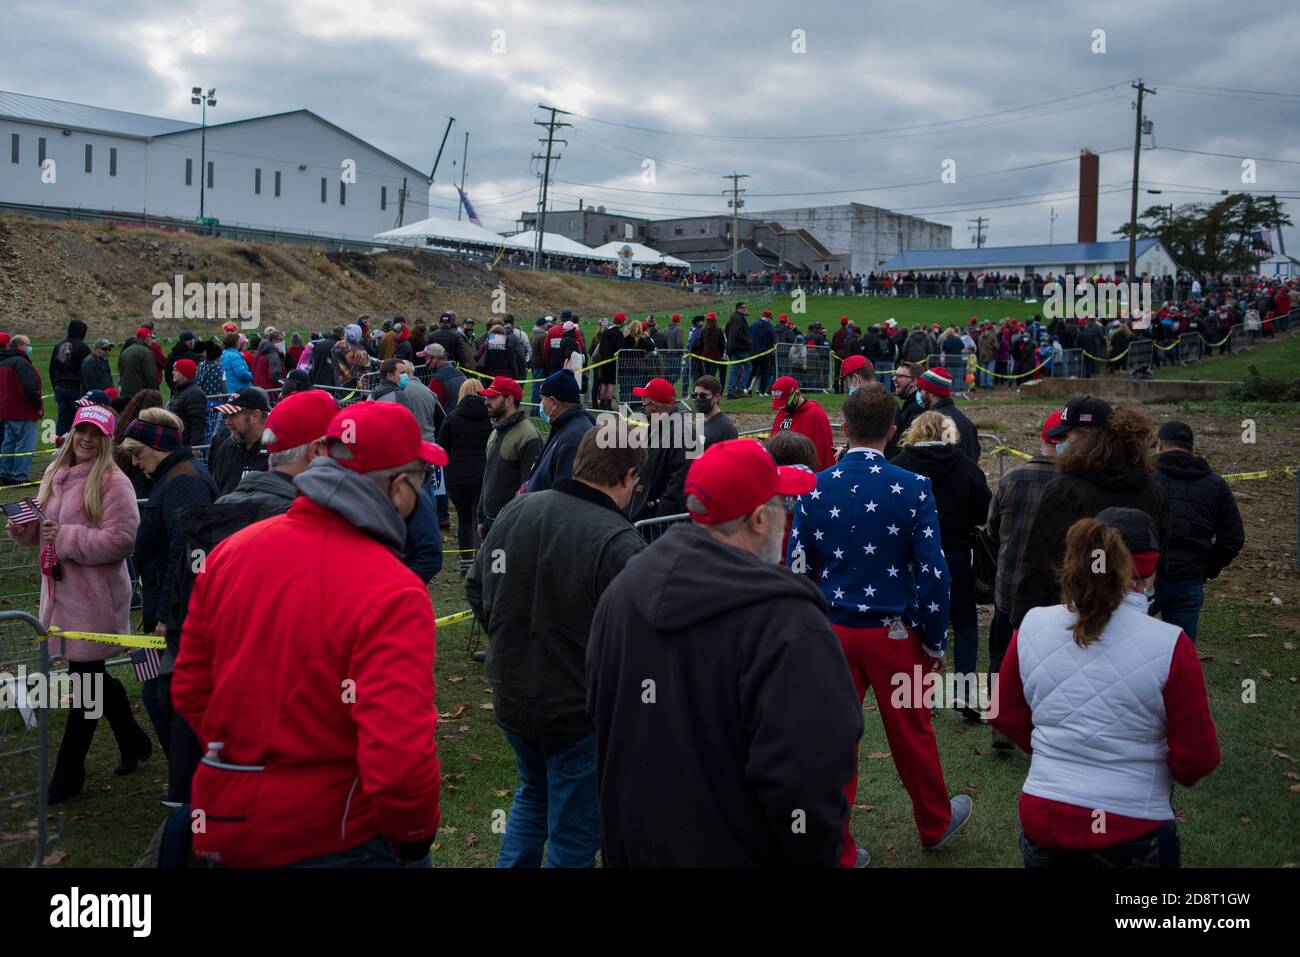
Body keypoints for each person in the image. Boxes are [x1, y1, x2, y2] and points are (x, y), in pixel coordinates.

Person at [172, 402, 445, 866]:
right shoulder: (394, 591)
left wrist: (249, 755)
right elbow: (398, 756)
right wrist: (414, 835)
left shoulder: (231, 553)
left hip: (229, 818)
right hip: (337, 836)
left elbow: (192, 688)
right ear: (399, 489)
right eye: (419, 480)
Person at [587, 438, 863, 867]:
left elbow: (601, 707)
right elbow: (809, 777)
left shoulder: (623, 590)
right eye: (782, 506)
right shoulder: (789, 625)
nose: (786, 518)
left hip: (635, 844)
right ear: (758, 520)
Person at [789, 386, 972, 864]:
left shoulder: (813, 487)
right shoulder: (912, 488)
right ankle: (934, 822)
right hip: (893, 633)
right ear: (893, 432)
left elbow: (797, 568)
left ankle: (836, 846)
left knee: (832, 739)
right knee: (913, 731)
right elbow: (934, 572)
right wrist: (933, 639)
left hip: (831, 631)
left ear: (843, 428)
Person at [992, 509, 1220, 868]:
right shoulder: (1171, 644)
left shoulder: (1031, 625)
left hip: (1045, 815)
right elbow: (1197, 758)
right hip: (1134, 824)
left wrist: (1059, 753)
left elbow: (1005, 715)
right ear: (1148, 570)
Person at [468, 427, 646, 867]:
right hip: (576, 710)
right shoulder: (619, 543)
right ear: (626, 476)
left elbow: (477, 587)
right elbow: (642, 637)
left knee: (533, 797)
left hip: (515, 692)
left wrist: (509, 638)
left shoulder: (517, 510)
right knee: (572, 834)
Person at [6, 402, 148, 803]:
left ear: (106, 441)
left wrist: (65, 537)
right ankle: (134, 739)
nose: (85, 440)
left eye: (95, 435)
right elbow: (41, 529)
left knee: (86, 684)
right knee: (94, 677)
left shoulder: (113, 482)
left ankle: (69, 774)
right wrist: (25, 528)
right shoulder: (55, 471)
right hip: (58, 592)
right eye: (81, 431)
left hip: (94, 597)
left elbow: (122, 541)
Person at [119, 406, 219, 773]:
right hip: (169, 604)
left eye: (136, 452)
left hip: (179, 611)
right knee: (159, 692)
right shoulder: (171, 476)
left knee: (164, 695)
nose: (134, 462)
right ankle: (188, 778)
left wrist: (167, 613)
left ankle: (194, 782)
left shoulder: (183, 480)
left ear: (155, 447)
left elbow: (189, 548)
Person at [1012, 398, 1169, 628]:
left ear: (1088, 435)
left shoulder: (1065, 489)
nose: (1060, 444)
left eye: (1066, 436)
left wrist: (1023, 619)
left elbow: (1041, 559)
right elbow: (1162, 551)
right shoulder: (1151, 488)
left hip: (1072, 611)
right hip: (1134, 610)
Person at [891, 410, 992, 716]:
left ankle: (923, 696)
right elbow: (983, 512)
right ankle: (963, 692)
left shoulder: (899, 467)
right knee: (964, 621)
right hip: (957, 552)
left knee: (917, 623)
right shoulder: (966, 467)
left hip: (913, 556)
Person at [984, 411, 1061, 749]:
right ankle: (1042, 724)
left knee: (1002, 656)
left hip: (1009, 586)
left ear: (1043, 441)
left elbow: (992, 530)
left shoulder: (1012, 478)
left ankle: (1001, 722)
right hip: (1053, 591)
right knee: (1050, 661)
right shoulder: (1076, 485)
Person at [1151, 421, 1244, 642]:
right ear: (1191, 448)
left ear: (1159, 444)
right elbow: (1233, 538)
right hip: (1190, 577)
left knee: (1132, 645)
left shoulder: (1144, 479)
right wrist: (1209, 567)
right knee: (1181, 650)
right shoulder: (1216, 484)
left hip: (1148, 575)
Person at [437, 378, 492, 573]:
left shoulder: (452, 418)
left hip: (458, 477)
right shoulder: (490, 418)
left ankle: (466, 561)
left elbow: (441, 446)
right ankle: (478, 561)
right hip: (483, 474)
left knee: (464, 520)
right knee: (480, 519)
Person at [478, 377, 542, 538]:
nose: (486, 402)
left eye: (492, 397)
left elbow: (530, 488)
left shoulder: (528, 436)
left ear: (509, 400)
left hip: (510, 522)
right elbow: (488, 476)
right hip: (490, 518)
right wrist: (481, 516)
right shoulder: (495, 431)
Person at [626, 377, 691, 522]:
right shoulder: (658, 425)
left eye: (644, 399)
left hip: (661, 521)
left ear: (653, 405)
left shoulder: (683, 431)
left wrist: (659, 514)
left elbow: (682, 480)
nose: (642, 405)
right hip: (650, 512)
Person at [526, 370, 595, 493]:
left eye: (542, 400)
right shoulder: (562, 424)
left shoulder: (575, 438)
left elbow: (564, 494)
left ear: (553, 402)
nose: (541, 404)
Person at [208, 388, 271, 496]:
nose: (227, 422)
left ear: (255, 416)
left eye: (233, 415)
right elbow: (216, 493)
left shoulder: (277, 451)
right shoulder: (226, 447)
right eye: (227, 416)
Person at [0, 334, 43, 486]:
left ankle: (4, 472)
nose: (30, 347)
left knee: (9, 442)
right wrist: (37, 405)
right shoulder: (21, 363)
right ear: (19, 347)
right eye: (28, 344)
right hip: (23, 410)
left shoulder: (5, 362)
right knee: (25, 444)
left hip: (7, 410)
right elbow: (29, 388)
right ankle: (19, 475)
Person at [768, 376, 834, 471]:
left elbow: (819, 452)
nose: (784, 408)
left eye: (787, 403)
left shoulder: (814, 415)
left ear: (797, 394)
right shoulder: (783, 412)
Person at [914, 367, 979, 463]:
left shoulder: (932, 423)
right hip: (968, 476)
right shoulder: (966, 421)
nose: (918, 393)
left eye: (921, 389)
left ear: (932, 393)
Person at [50, 319, 93, 435]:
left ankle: (60, 447)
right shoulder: (83, 347)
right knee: (79, 420)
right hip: (76, 388)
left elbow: (51, 369)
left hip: (60, 387)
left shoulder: (58, 346)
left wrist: (55, 387)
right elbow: (87, 370)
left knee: (62, 420)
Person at [884, 361, 924, 459]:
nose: (894, 378)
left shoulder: (917, 408)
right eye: (894, 375)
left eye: (900, 376)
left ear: (914, 381)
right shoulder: (910, 404)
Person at [166, 358, 208, 448]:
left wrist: (195, 447)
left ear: (185, 373)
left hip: (185, 445)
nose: (173, 373)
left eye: (176, 370)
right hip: (177, 442)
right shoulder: (180, 391)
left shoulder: (194, 394)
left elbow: (198, 423)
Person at [691, 375, 737, 449]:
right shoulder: (699, 420)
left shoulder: (726, 428)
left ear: (716, 397)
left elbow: (730, 458)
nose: (698, 399)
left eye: (703, 396)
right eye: (695, 395)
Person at [419, 343, 466, 415]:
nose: (425, 363)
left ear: (435, 359)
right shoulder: (461, 374)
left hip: (447, 421)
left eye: (426, 359)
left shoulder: (438, 380)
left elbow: (434, 406)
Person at [120, 327, 161, 398]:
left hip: (126, 392)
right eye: (151, 337)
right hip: (142, 394)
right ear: (147, 338)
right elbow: (151, 375)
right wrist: (154, 393)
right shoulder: (146, 352)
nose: (152, 340)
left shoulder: (126, 351)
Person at [724, 301, 752, 397]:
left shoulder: (732, 319)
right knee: (748, 366)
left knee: (735, 368)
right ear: (738, 308)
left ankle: (731, 391)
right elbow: (738, 333)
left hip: (732, 347)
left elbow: (728, 332)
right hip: (739, 348)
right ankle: (739, 389)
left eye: (745, 307)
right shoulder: (738, 318)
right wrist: (748, 340)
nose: (745, 309)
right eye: (743, 307)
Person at [252, 327, 287, 393]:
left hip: (258, 390)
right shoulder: (273, 354)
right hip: (271, 391)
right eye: (281, 339)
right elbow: (275, 374)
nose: (283, 342)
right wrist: (285, 384)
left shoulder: (259, 353)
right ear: (274, 340)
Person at [163, 331, 196, 395]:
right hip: (190, 390)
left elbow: (167, 373)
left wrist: (172, 386)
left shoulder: (171, 355)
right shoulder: (192, 356)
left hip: (174, 390)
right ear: (190, 342)